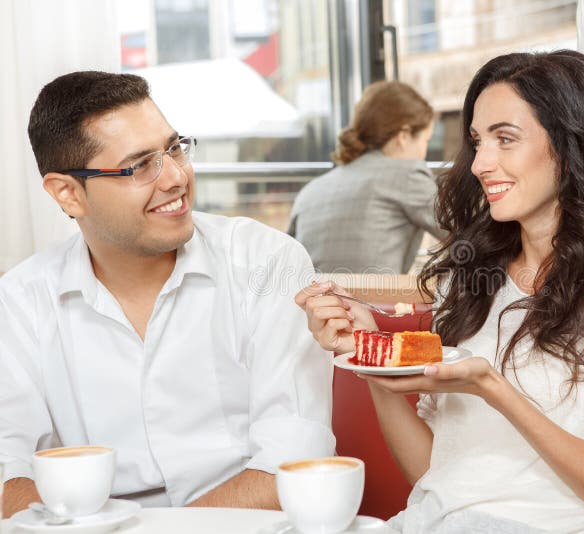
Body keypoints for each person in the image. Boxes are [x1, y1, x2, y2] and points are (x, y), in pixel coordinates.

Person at [297, 51, 584, 533]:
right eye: (477, 142)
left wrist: (494, 390)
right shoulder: (469, 280)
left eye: (505, 139)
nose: (480, 164)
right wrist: (376, 363)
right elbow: (437, 477)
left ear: (571, 147)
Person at [0, 71, 334, 517]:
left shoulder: (266, 261)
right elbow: (8, 476)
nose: (176, 177)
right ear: (68, 193)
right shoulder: (20, 302)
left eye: (174, 149)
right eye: (140, 166)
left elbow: (293, 463)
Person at [287, 80, 447, 274]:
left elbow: (288, 264)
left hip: (313, 304)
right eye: (425, 141)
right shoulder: (408, 175)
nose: (424, 153)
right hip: (376, 303)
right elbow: (468, 236)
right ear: (403, 136)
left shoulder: (311, 191)